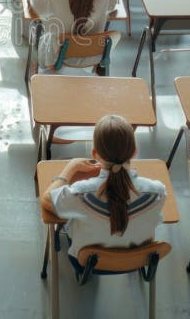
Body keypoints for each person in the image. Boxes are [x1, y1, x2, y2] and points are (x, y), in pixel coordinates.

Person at [41, 114, 166, 272]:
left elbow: (46, 201)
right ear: (134, 152)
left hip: (87, 263)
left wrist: (70, 168)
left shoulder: (81, 194)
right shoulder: (157, 192)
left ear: (95, 154)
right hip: (137, 260)